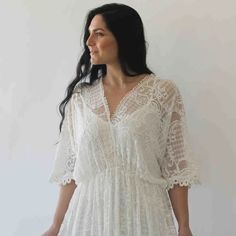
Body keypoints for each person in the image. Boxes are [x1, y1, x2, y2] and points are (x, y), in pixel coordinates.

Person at [42, 3, 200, 236]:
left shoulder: (163, 93)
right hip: (89, 217)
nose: (88, 42)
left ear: (123, 37)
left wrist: (184, 227)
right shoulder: (82, 99)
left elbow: (176, 168)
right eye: (88, 34)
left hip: (145, 216)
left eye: (98, 33)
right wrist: (55, 226)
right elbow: (71, 172)